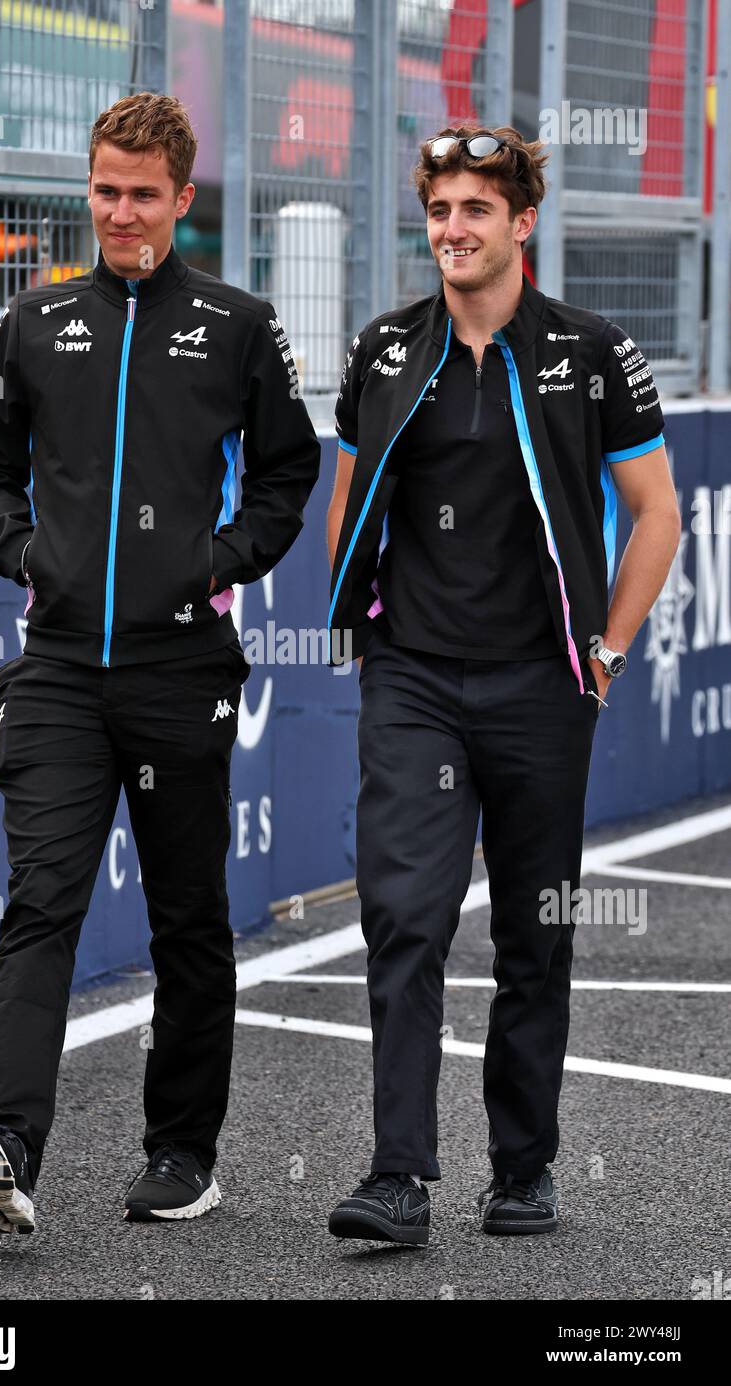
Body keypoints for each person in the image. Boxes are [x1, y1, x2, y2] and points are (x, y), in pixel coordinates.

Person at [0, 92, 320, 1235]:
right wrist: (26, 552)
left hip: (179, 671)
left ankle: (181, 1152)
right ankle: (6, 1140)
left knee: (188, 918)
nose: (120, 212)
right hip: (56, 667)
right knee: (42, 902)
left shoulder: (240, 325)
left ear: (182, 198)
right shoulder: (38, 320)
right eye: (105, 189)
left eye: (142, 194)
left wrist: (216, 561)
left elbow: (287, 474)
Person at [325, 124, 680, 1247]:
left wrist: (607, 650)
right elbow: (349, 494)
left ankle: (523, 1168)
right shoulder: (387, 349)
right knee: (404, 914)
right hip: (416, 677)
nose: (453, 230)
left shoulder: (590, 348)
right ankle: (399, 1177)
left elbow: (657, 514)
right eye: (439, 211)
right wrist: (363, 630)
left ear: (522, 223)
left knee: (536, 930)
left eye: (477, 209)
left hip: (542, 680)